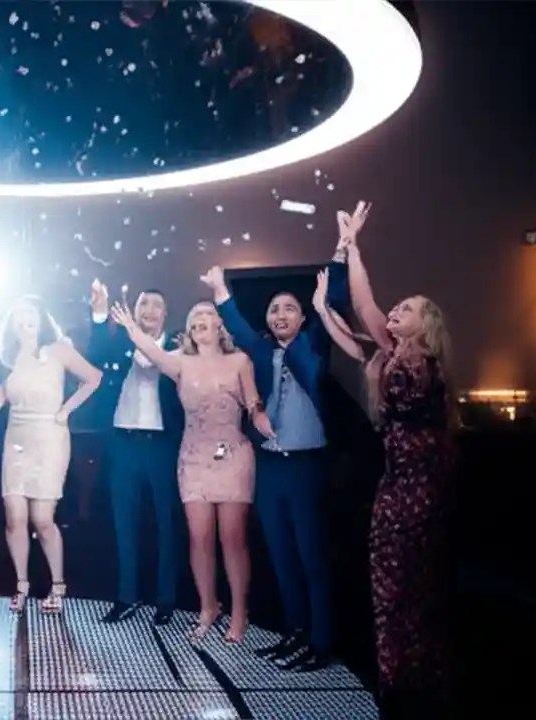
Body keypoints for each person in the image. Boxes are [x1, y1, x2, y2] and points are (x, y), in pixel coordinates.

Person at [200, 243, 350, 671]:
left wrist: (339, 255)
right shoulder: (261, 354)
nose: (280, 315)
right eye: (273, 309)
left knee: (312, 556)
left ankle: (322, 641)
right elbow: (239, 329)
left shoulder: (315, 345)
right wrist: (219, 290)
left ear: (303, 318)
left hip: (306, 467)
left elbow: (333, 306)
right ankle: (296, 632)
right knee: (281, 556)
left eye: (289, 309)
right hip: (270, 467)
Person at [340, 202, 456, 718]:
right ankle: (410, 677)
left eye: (405, 308)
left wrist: (352, 248)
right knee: (407, 585)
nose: (394, 311)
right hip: (403, 486)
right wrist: (353, 247)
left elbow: (366, 312)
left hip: (414, 493)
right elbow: (365, 305)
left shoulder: (417, 363)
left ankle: (401, 684)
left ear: (423, 324)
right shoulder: (400, 356)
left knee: (402, 585)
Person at [112, 300, 272, 642]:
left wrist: (260, 416)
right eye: (194, 317)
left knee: (232, 538)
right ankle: (207, 606)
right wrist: (130, 326)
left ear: (219, 326)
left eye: (207, 315)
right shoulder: (180, 362)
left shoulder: (240, 360)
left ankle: (239, 613)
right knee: (199, 538)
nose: (200, 319)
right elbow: (152, 354)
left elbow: (253, 400)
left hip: (232, 454)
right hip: (194, 456)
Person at [0, 296, 101, 613]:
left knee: (42, 519)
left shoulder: (59, 349)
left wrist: (66, 410)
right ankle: (21, 586)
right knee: (15, 518)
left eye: (31, 314)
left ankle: (57, 586)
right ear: (12, 325)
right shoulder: (6, 358)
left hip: (50, 436)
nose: (26, 320)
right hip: (16, 438)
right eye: (19, 316)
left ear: (41, 318)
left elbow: (94, 378)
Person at [86, 281, 185, 625]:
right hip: (124, 443)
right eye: (144, 305)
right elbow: (96, 350)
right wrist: (100, 312)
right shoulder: (121, 343)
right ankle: (126, 595)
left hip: (162, 444)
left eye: (156, 305)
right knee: (123, 521)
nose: (149, 312)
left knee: (166, 524)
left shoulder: (179, 346)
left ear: (166, 313)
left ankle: (166, 598)